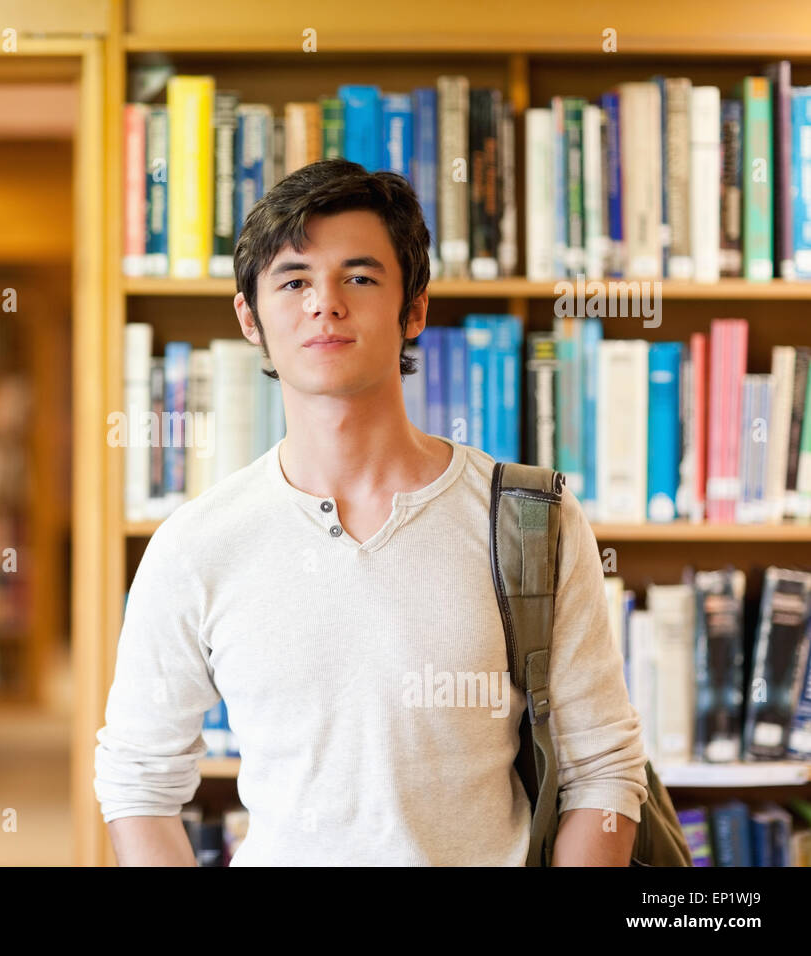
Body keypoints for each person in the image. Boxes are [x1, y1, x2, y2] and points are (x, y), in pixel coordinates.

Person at [93, 158, 647, 866]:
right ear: (250, 319)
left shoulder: (531, 520)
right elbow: (137, 780)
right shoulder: (197, 545)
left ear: (413, 308)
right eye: (293, 281)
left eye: (359, 277)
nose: (324, 303)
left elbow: (604, 770)